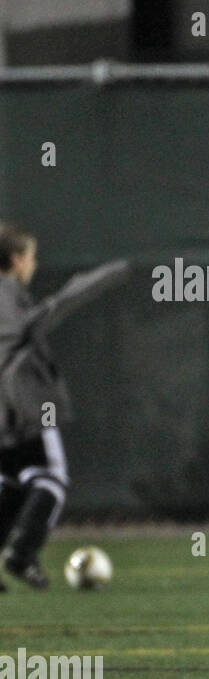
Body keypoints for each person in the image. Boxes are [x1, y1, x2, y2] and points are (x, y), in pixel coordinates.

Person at [0, 222, 128, 590]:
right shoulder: (8, 292)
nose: (33, 265)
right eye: (32, 257)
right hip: (22, 399)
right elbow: (26, 328)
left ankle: (19, 551)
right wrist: (90, 284)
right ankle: (22, 554)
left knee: (11, 482)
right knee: (51, 477)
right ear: (18, 259)